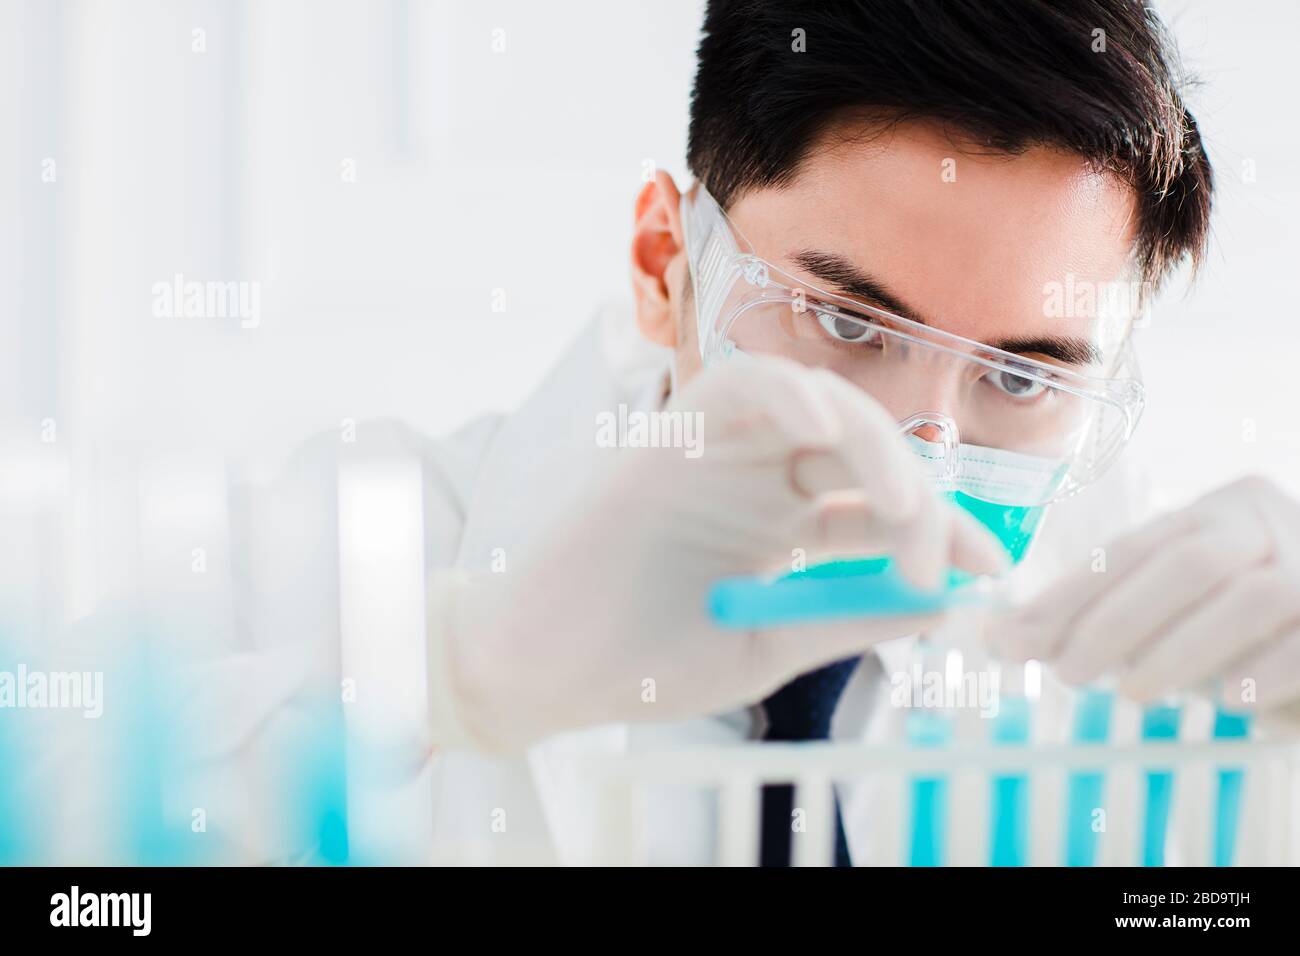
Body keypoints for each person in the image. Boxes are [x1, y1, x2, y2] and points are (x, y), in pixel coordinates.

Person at [183, 0, 1300, 865]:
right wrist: (450, 679)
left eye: (1020, 377)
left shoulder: (1170, 640)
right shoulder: (355, 541)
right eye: (841, 320)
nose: (929, 448)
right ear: (663, 263)